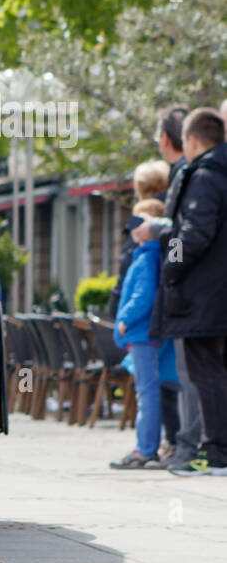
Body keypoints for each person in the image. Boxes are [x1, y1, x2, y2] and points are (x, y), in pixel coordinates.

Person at [140, 107, 227, 475]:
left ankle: (216, 452)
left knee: (205, 373)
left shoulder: (205, 175)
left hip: (202, 294)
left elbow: (192, 233)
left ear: (191, 141)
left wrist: (171, 267)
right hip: (216, 290)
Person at [109, 200, 177, 469]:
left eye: (140, 221)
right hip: (143, 333)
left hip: (142, 333)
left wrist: (125, 318)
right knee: (150, 390)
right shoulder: (146, 254)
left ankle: (145, 449)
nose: (133, 227)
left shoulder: (148, 256)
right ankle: (148, 446)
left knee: (146, 392)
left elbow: (144, 295)